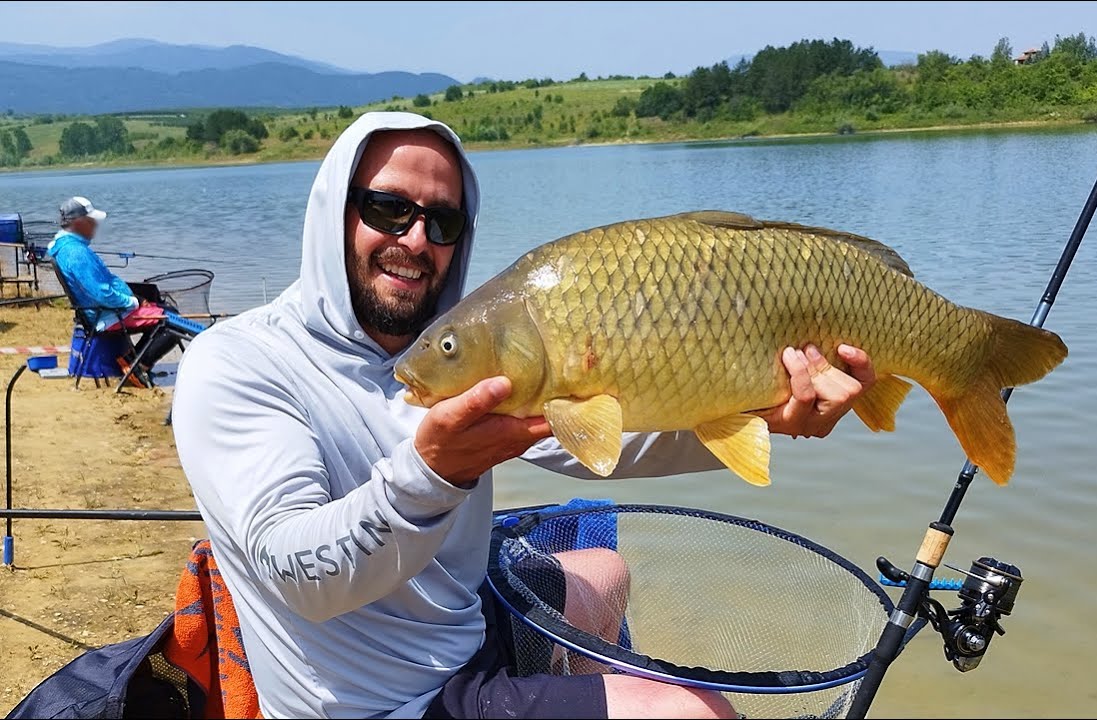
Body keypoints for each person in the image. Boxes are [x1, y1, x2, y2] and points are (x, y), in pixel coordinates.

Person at [171, 113, 878, 720]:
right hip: (388, 704)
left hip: (463, 635)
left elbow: (604, 442)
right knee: (698, 712)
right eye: (388, 209)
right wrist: (434, 476)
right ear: (334, 212)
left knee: (604, 572)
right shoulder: (240, 364)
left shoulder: (465, 353)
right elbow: (300, 578)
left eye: (442, 221)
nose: (415, 240)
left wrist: (769, 417)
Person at [47, 196, 187, 385]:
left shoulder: (66, 246)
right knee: (173, 322)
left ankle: (133, 359)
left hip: (104, 310)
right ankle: (137, 367)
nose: (95, 226)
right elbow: (101, 294)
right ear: (79, 223)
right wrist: (132, 302)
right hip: (106, 315)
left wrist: (134, 297)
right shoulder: (76, 253)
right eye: (91, 221)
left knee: (162, 305)